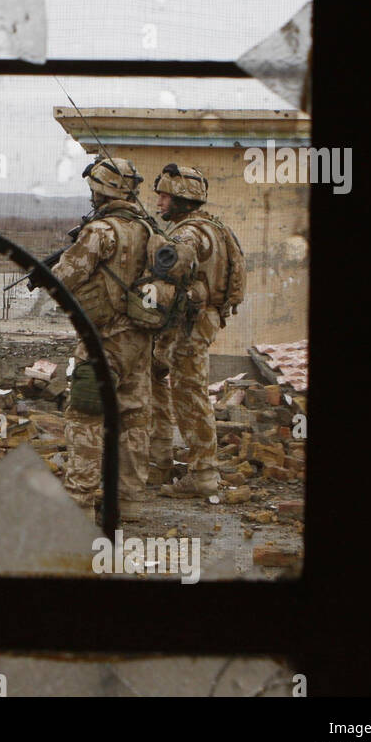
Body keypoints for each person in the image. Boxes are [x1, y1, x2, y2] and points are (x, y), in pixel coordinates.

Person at [51, 155, 160, 503]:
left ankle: (80, 501)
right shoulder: (148, 229)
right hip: (140, 339)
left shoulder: (101, 231)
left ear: (101, 191)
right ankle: (129, 501)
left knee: (85, 415)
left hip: (104, 338)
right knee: (134, 416)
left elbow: (66, 278)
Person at [147, 163, 245, 497]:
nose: (159, 202)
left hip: (190, 324)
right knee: (157, 375)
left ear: (181, 199)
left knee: (189, 394)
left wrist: (157, 257)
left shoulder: (189, 233)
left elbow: (173, 265)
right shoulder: (214, 227)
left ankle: (202, 475)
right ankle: (160, 460)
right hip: (201, 320)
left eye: (164, 196)